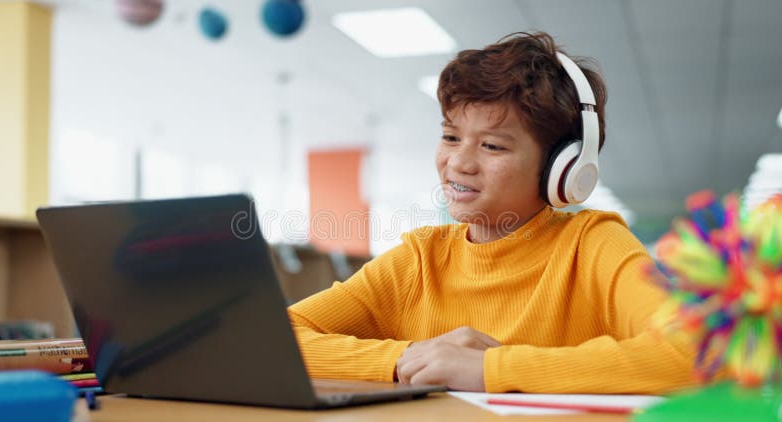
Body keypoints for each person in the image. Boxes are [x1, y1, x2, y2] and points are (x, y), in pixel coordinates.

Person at [288, 31, 694, 393]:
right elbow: (275, 339)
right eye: (450, 136)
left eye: (492, 146)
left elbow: (693, 352)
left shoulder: (592, 244)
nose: (459, 163)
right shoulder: (419, 259)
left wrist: (492, 368)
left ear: (562, 167)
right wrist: (409, 358)